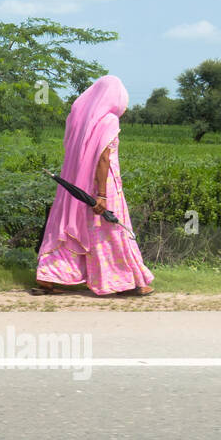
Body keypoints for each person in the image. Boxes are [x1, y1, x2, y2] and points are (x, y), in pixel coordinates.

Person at [36, 74, 154, 295]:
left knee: (69, 228)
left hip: (75, 188)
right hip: (103, 185)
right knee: (110, 230)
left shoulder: (78, 120)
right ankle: (123, 282)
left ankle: (50, 275)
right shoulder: (109, 120)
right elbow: (103, 158)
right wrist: (102, 195)